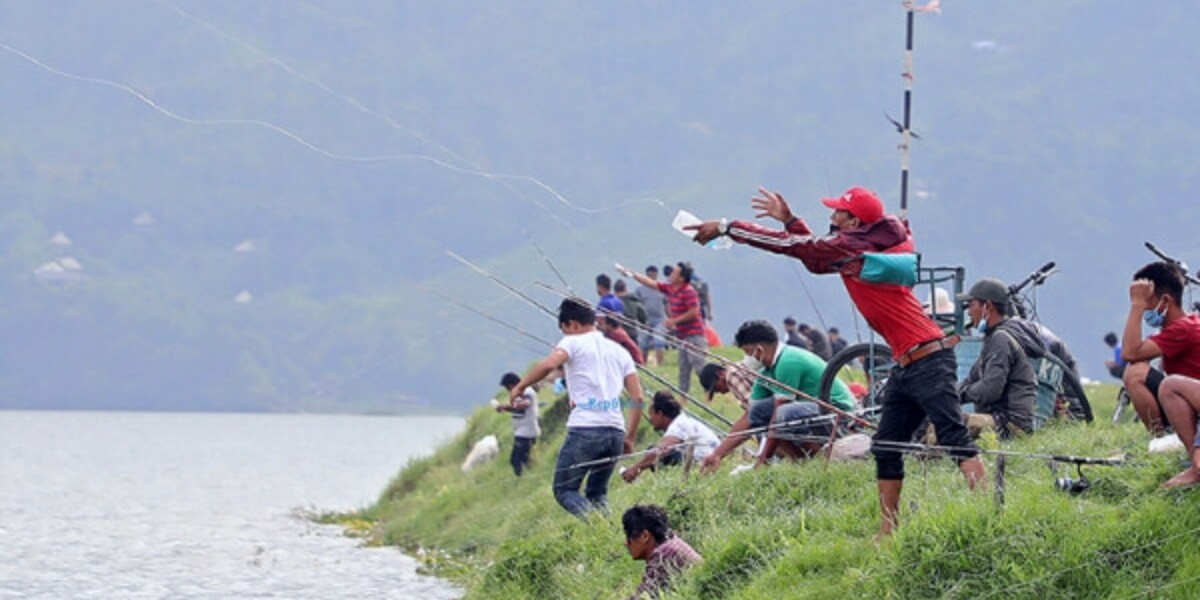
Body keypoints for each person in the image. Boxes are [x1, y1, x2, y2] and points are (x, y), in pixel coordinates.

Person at [688, 185, 985, 536]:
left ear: (854, 221)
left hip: (929, 358)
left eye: (837, 213)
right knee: (886, 447)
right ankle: (887, 532)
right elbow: (813, 257)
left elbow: (798, 248)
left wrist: (726, 227)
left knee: (953, 436)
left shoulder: (852, 248)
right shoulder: (861, 248)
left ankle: (988, 515)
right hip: (907, 363)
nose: (831, 218)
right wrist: (790, 220)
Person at [509, 298, 644, 517]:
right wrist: (629, 437)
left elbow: (548, 364)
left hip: (586, 429)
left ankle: (598, 527)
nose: (565, 335)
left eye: (565, 330)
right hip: (615, 431)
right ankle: (609, 533)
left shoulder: (571, 342)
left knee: (564, 490)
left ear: (572, 324)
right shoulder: (620, 352)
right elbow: (637, 397)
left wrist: (520, 387)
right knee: (597, 493)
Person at [701, 320, 856, 471]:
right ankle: (801, 462)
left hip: (838, 412)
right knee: (758, 411)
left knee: (784, 413)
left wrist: (763, 459)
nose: (747, 358)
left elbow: (778, 415)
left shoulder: (788, 361)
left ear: (759, 349)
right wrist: (717, 454)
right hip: (811, 411)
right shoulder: (765, 373)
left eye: (748, 352)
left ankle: (817, 457)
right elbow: (750, 417)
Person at [1121, 262, 1200, 435]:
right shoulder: (1180, 327)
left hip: (1192, 406)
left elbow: (1130, 353)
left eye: (1146, 302)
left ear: (1165, 301)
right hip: (1184, 402)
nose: (1144, 309)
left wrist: (1136, 306)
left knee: (1135, 373)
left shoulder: (1183, 329)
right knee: (1137, 368)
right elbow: (1136, 352)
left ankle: (1160, 437)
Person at [955, 278, 1038, 438]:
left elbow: (990, 389)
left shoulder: (1001, 339)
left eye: (971, 305)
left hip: (1010, 424)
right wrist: (945, 396)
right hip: (998, 419)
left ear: (987, 307)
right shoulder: (993, 339)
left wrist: (963, 394)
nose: (969, 312)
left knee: (943, 427)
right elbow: (970, 380)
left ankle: (930, 463)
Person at [619, 262, 707, 393]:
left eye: (675, 272)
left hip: (694, 334)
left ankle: (710, 388)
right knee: (683, 368)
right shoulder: (670, 288)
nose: (671, 274)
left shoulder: (689, 291)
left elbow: (694, 311)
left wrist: (674, 320)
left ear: (681, 278)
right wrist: (632, 274)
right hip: (682, 335)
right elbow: (651, 283)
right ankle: (683, 398)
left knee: (698, 365)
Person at [622, 391, 720, 483]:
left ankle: (673, 483)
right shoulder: (683, 421)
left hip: (706, 463)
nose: (650, 419)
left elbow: (660, 451)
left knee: (661, 455)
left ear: (660, 413)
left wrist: (636, 468)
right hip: (711, 460)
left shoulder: (677, 426)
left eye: (651, 414)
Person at [622, 504, 702, 599]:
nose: (625, 543)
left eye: (629, 536)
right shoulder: (670, 545)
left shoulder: (663, 556)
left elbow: (643, 597)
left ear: (645, 536)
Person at [497, 372, 540, 476]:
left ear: (511, 385)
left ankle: (524, 478)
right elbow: (517, 409)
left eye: (507, 388)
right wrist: (505, 408)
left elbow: (525, 404)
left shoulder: (527, 391)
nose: (508, 390)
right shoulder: (519, 393)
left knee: (516, 460)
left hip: (527, 432)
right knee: (522, 459)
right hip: (521, 432)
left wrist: (510, 405)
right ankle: (528, 476)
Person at [635, 266, 668, 366]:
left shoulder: (662, 288)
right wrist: (639, 320)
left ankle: (660, 365)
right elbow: (637, 305)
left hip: (659, 320)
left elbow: (667, 304)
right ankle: (643, 364)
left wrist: (671, 318)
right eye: (651, 274)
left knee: (659, 341)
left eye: (655, 274)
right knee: (643, 344)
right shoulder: (640, 290)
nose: (653, 276)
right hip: (645, 320)